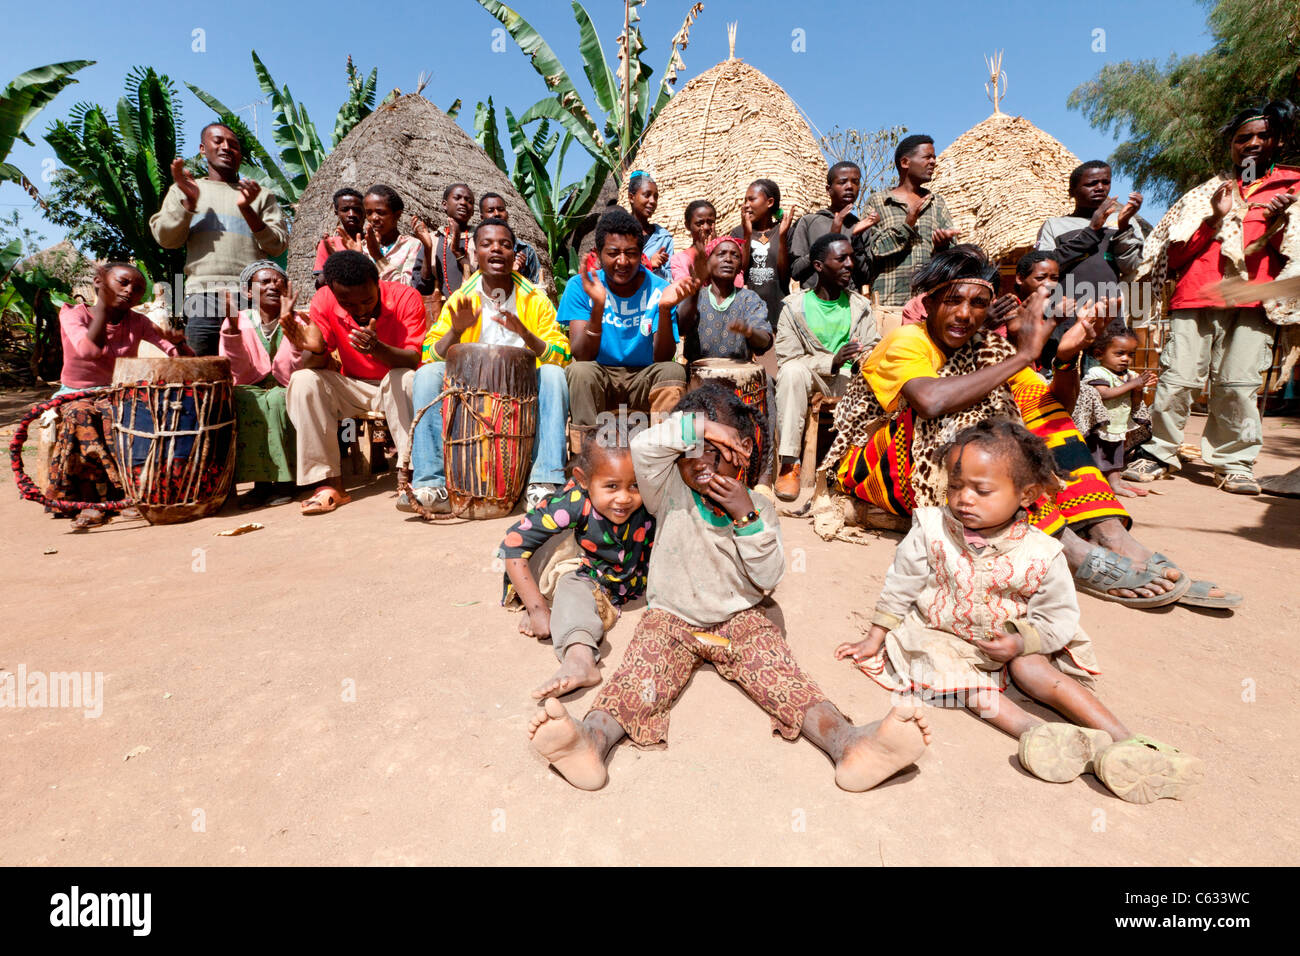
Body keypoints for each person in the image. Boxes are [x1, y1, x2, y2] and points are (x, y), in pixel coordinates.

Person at [526, 384, 933, 792]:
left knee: (783, 677)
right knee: (637, 676)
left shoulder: (760, 507)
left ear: (744, 454)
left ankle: (848, 744)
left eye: (721, 452)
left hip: (741, 620)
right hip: (670, 618)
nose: (705, 461)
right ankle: (591, 742)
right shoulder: (666, 488)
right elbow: (647, 443)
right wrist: (705, 428)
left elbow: (769, 576)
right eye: (695, 448)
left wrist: (746, 518)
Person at [823, 244, 1241, 610]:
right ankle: (1067, 546)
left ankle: (1110, 533)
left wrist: (1064, 359)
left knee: (1031, 411)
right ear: (929, 304)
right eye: (953, 300)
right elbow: (930, 403)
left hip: (935, 463)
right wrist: (1025, 355)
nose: (965, 315)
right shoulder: (908, 341)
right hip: (875, 464)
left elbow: (1053, 409)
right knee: (974, 422)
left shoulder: (986, 344)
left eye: (978, 303)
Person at [834, 420, 1202, 804]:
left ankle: (1126, 740)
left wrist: (1022, 641)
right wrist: (874, 636)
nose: (964, 499)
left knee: (1033, 668)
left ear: (1026, 495)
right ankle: (1037, 733)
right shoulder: (930, 530)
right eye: (955, 486)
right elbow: (902, 583)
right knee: (957, 677)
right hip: (940, 631)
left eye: (982, 490)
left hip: (1015, 636)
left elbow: (1059, 618)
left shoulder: (1042, 552)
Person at [1125, 99, 1300, 495]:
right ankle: (1160, 453)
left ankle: (1234, 462)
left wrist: (1284, 222)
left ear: (1278, 139)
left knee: (1238, 384)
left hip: (1257, 300)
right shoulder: (1205, 193)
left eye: (1262, 136)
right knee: (1177, 380)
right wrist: (1215, 218)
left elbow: (1296, 254)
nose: (1252, 144)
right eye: (1243, 138)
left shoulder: (1293, 186)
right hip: (1196, 297)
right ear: (1232, 146)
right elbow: (1173, 256)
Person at [405, 218, 572, 515]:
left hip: (522, 389)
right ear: (474, 252)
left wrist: (525, 334)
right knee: (427, 374)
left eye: (505, 245)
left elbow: (560, 353)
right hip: (470, 391)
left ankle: (544, 482)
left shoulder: (535, 299)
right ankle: (431, 483)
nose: (496, 250)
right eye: (487, 244)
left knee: (554, 374)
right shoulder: (460, 298)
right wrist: (456, 331)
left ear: (514, 253)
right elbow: (430, 353)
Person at [499, 429, 655, 700]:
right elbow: (513, 545)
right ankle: (579, 659)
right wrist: (536, 609)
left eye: (635, 485)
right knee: (572, 586)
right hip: (582, 568)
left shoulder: (651, 502)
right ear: (584, 481)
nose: (624, 497)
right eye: (611, 486)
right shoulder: (572, 503)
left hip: (624, 577)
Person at [47, 263, 191, 530]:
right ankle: (92, 501)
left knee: (123, 412)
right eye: (122, 283)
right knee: (81, 414)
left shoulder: (138, 322)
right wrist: (103, 307)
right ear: (98, 282)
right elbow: (88, 350)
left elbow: (178, 357)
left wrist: (178, 343)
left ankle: (128, 493)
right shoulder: (72, 315)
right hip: (76, 393)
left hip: (116, 392)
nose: (129, 291)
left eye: (137, 289)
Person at [286, 250, 423, 515]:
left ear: (377, 283)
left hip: (394, 382)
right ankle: (329, 484)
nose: (360, 310)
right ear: (334, 293)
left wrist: (376, 348)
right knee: (302, 380)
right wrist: (315, 350)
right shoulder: (323, 300)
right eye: (348, 304)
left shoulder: (406, 297)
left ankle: (412, 477)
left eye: (367, 301)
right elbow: (312, 365)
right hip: (353, 386)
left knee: (404, 378)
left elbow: (412, 359)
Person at [150, 123, 289, 356]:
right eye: (218, 141)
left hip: (253, 297)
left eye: (233, 145)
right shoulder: (185, 190)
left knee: (255, 371)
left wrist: (248, 210)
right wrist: (189, 205)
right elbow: (166, 239)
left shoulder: (261, 195)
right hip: (203, 296)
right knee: (204, 374)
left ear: (240, 155)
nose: (226, 147)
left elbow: (277, 245)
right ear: (203, 149)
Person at [559, 209, 697, 433]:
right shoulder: (581, 286)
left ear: (641, 254)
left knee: (673, 371)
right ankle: (585, 456)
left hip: (644, 376)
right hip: (601, 375)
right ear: (599, 253)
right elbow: (582, 355)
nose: (622, 261)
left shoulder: (660, 290)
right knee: (580, 372)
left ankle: (664, 453)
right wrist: (598, 307)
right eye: (613, 253)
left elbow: (662, 357)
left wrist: (664, 309)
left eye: (631, 253)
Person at [773, 233, 876, 500]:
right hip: (812, 378)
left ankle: (861, 471)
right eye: (841, 258)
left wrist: (859, 360)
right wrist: (832, 360)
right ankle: (788, 463)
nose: (850, 264)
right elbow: (788, 358)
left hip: (850, 381)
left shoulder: (860, 307)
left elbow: (874, 349)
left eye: (851, 258)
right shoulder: (795, 308)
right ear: (819, 266)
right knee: (791, 372)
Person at [218, 260, 312, 508]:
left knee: (277, 399)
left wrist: (289, 325)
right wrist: (233, 331)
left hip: (286, 383)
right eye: (265, 282)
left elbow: (293, 371)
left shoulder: (299, 320)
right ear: (249, 292)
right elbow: (238, 371)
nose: (273, 286)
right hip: (251, 384)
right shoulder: (237, 320)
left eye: (278, 281)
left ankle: (285, 482)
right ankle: (260, 484)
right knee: (246, 397)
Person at [1034, 161, 1144, 368]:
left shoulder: (1124, 222)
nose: (1100, 188)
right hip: (1064, 314)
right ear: (1072, 191)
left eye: (1105, 182)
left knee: (1101, 379)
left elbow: (1129, 265)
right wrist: (1091, 230)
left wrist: (1123, 228)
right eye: (1092, 183)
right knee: (1061, 373)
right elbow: (1044, 267)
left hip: (1107, 316)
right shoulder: (1055, 225)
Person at [861, 134, 959, 328]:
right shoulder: (878, 202)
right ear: (905, 162)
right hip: (890, 306)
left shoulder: (936, 202)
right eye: (927, 157)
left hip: (928, 305)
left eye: (934, 157)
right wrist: (907, 224)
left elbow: (952, 256)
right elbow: (873, 250)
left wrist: (943, 246)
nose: (933, 162)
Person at [1077, 323, 1156, 499]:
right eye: (1119, 353)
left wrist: (1138, 390)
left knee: (1116, 455)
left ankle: (1115, 481)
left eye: (1130, 354)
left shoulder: (1129, 375)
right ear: (1099, 354)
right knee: (1099, 455)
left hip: (1118, 424)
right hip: (1100, 425)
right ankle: (1103, 484)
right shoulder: (1098, 372)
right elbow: (1104, 394)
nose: (1125, 359)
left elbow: (1136, 402)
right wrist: (1133, 384)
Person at [674, 236, 774, 364]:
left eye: (735, 256)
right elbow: (681, 328)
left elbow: (765, 341)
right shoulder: (696, 297)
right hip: (698, 375)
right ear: (707, 263)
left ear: (739, 268)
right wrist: (696, 290)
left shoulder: (749, 299)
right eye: (721, 254)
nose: (728, 259)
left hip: (740, 376)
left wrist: (749, 331)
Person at [790, 162, 875, 289]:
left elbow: (865, 277)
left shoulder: (862, 226)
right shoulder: (809, 222)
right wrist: (828, 241)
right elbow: (795, 271)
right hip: (814, 304)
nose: (850, 187)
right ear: (828, 189)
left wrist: (856, 238)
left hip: (848, 304)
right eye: (842, 182)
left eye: (855, 182)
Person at [728, 180, 793, 330]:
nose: (746, 205)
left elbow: (784, 276)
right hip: (747, 314)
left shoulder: (785, 230)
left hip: (779, 313)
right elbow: (739, 273)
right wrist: (747, 235)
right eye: (745, 200)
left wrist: (782, 238)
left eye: (751, 199)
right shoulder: (738, 232)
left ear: (769, 202)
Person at [670, 199, 738, 289]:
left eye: (710, 222)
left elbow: (736, 285)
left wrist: (714, 249)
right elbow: (685, 290)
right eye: (699, 223)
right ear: (687, 225)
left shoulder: (728, 254)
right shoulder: (679, 259)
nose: (706, 227)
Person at [475, 192, 541, 283]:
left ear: (507, 214)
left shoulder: (526, 251)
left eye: (500, 209)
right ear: (482, 217)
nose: (497, 213)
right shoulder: (474, 249)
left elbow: (536, 288)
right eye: (490, 210)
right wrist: (510, 272)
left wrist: (519, 277)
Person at [429, 182, 476, 298]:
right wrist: (426, 249)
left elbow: (484, 280)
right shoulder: (432, 239)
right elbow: (420, 282)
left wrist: (458, 254)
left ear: (473, 211)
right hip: (439, 311)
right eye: (457, 198)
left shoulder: (480, 240)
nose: (463, 203)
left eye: (469, 201)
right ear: (445, 205)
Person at [312, 188, 365, 288]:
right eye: (345, 210)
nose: (351, 214)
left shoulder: (373, 242)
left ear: (364, 212)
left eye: (356, 209)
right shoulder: (328, 244)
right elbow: (320, 284)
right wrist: (334, 261)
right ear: (337, 213)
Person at [627, 172, 673, 279]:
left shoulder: (663, 238)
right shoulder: (617, 233)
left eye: (655, 197)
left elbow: (671, 276)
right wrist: (648, 264)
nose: (653, 201)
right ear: (631, 197)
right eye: (647, 195)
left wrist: (659, 270)